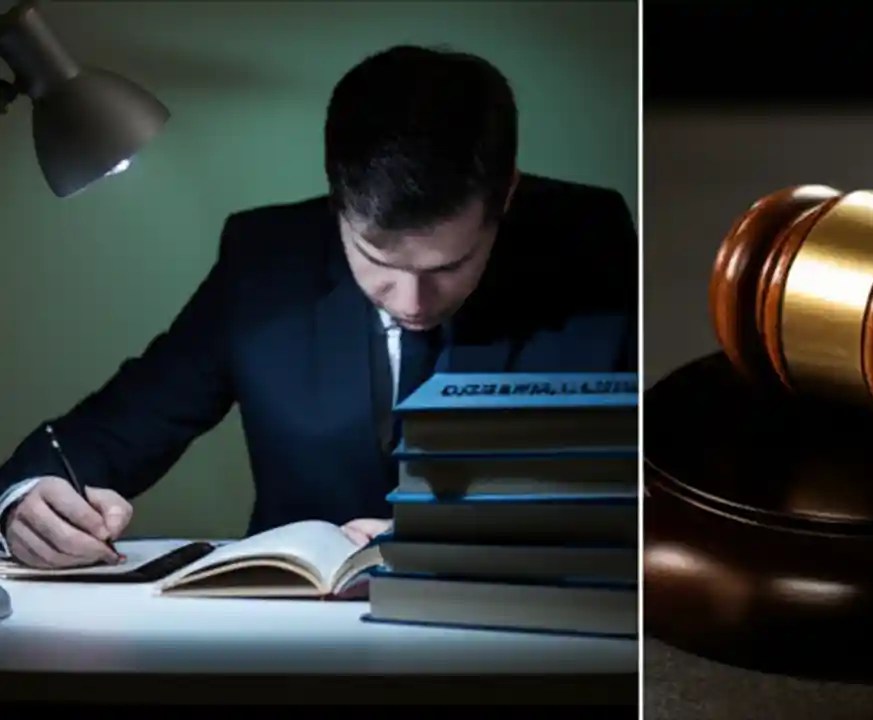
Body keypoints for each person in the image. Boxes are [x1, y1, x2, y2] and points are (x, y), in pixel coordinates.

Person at [0, 45, 637, 569]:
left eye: (450, 265)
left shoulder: (589, 241)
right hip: (304, 640)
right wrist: (26, 501)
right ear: (337, 199)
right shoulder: (266, 260)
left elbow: (647, 468)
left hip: (527, 641)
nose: (413, 301)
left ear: (508, 195)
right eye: (379, 262)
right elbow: (123, 421)